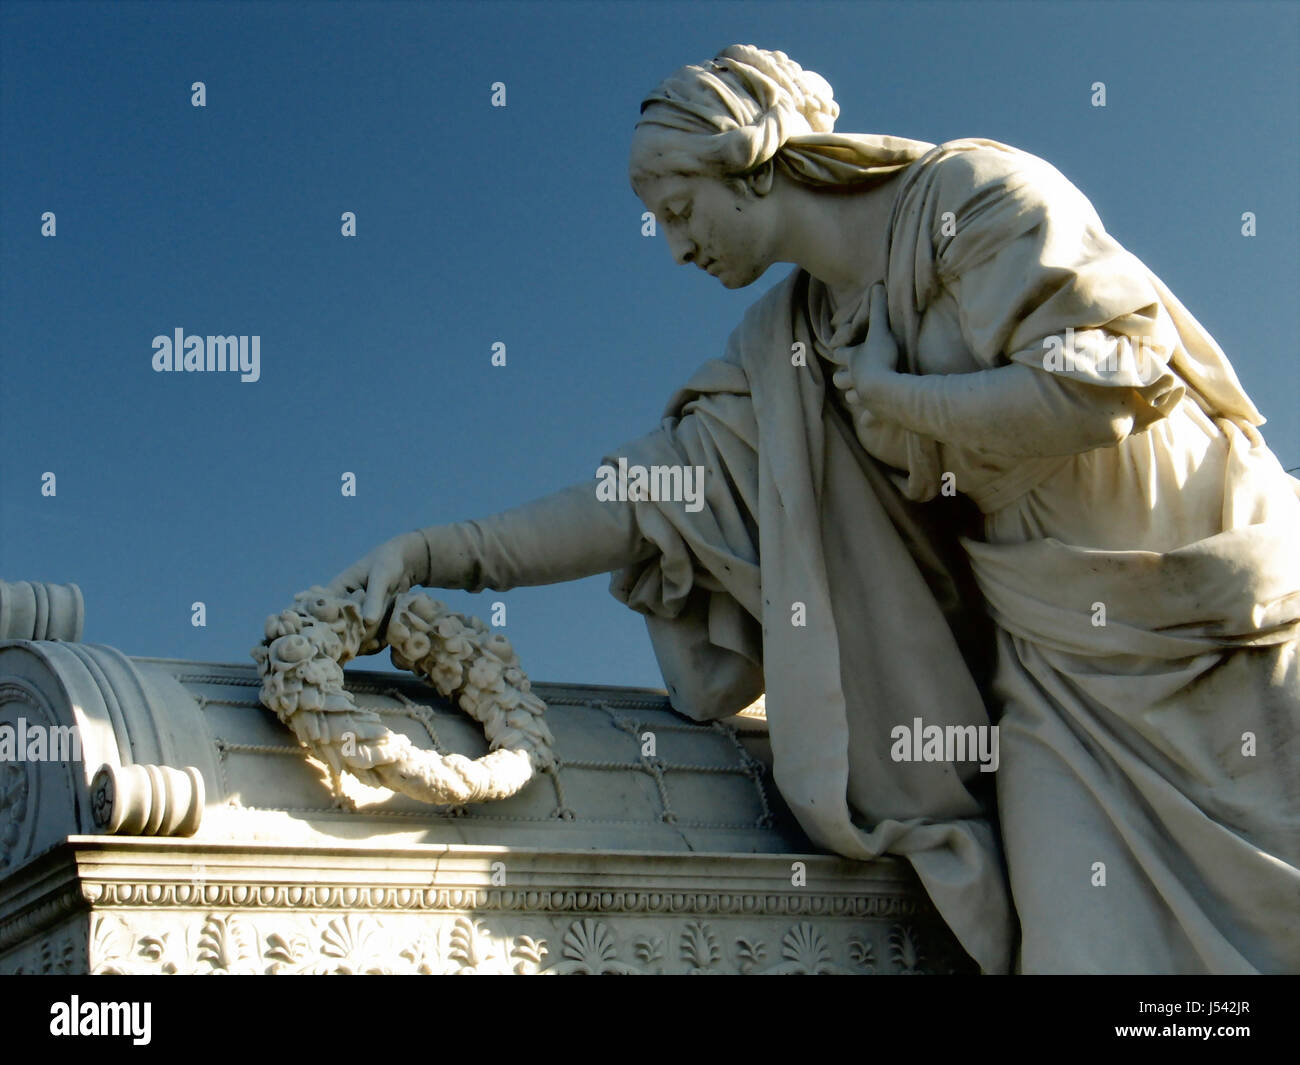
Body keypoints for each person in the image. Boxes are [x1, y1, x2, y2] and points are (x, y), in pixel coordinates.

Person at [327, 45, 1300, 974]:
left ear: (748, 162)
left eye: (679, 210)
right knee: (1081, 950)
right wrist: (433, 551)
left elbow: (1107, 380)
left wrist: (903, 401)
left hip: (1214, 609)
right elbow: (646, 499)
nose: (674, 248)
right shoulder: (790, 345)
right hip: (1058, 663)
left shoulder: (969, 195)